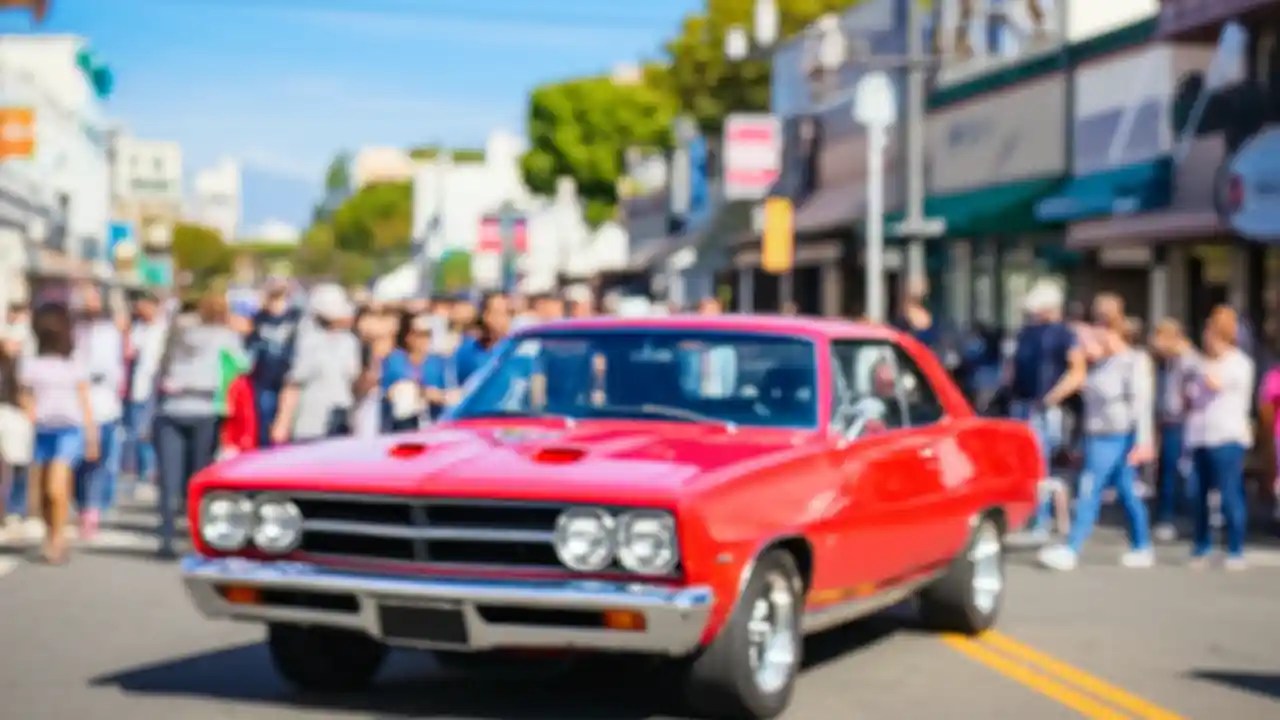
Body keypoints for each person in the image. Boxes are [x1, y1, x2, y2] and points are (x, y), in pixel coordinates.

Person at [1038, 298, 1155, 572]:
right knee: (1126, 491)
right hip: (1097, 433)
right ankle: (1142, 545)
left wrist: (1143, 440)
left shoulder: (1132, 362)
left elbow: (1141, 403)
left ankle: (1072, 548)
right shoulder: (1100, 365)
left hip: (1117, 435)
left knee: (1090, 489)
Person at [153, 292, 243, 559]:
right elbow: (243, 363)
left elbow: (161, 367)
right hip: (206, 408)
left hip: (171, 407)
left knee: (169, 477)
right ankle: (197, 537)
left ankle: (167, 536)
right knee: (199, 478)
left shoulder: (177, 331)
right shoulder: (224, 336)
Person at [17, 303, 98, 564]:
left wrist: (91, 437)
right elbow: (24, 393)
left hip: (69, 430)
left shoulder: (74, 363)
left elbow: (85, 401)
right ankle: (50, 531)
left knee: (55, 486)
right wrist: (28, 408)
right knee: (41, 491)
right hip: (43, 430)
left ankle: (59, 536)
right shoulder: (31, 363)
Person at [1007, 280, 1085, 541]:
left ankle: (1040, 521)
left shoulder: (1063, 334)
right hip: (1022, 403)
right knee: (1026, 465)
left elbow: (1077, 370)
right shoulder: (1026, 333)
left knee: (1040, 465)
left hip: (1043, 408)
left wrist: (1052, 398)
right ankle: (1029, 518)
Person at [1185, 306, 1256, 569]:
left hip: (1227, 436)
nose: (1206, 338)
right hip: (1201, 436)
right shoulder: (1204, 362)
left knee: (1228, 494)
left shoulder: (1238, 363)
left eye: (1211, 333)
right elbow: (1191, 396)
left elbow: (1215, 384)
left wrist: (1196, 364)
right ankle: (1201, 545)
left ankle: (1235, 548)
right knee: (1199, 494)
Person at [272, 285, 361, 443]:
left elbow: (353, 381)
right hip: (311, 424)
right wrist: (282, 422)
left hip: (342, 418)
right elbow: (294, 384)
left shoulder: (350, 342)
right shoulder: (308, 343)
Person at [71, 285, 125, 540]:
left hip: (104, 406)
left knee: (98, 462)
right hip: (74, 407)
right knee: (78, 463)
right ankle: (82, 504)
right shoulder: (73, 331)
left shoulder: (109, 331)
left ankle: (92, 509)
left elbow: (113, 368)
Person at [1150, 318, 1198, 541]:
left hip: (1181, 421)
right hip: (1167, 418)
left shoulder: (1187, 359)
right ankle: (1169, 513)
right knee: (1165, 470)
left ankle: (1172, 517)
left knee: (1175, 470)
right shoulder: (1165, 361)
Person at [246, 278, 301, 447]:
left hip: (287, 379)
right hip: (264, 380)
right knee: (264, 420)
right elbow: (249, 346)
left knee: (287, 424)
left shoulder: (295, 317)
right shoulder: (259, 318)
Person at [124, 291, 165, 493]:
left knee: (147, 433)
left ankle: (150, 473)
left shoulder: (164, 330)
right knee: (136, 432)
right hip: (137, 388)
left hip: (155, 389)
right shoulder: (138, 328)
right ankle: (141, 472)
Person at [455, 292, 512, 385]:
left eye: (507, 313)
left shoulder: (516, 351)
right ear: (485, 316)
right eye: (497, 313)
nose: (503, 319)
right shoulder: (467, 351)